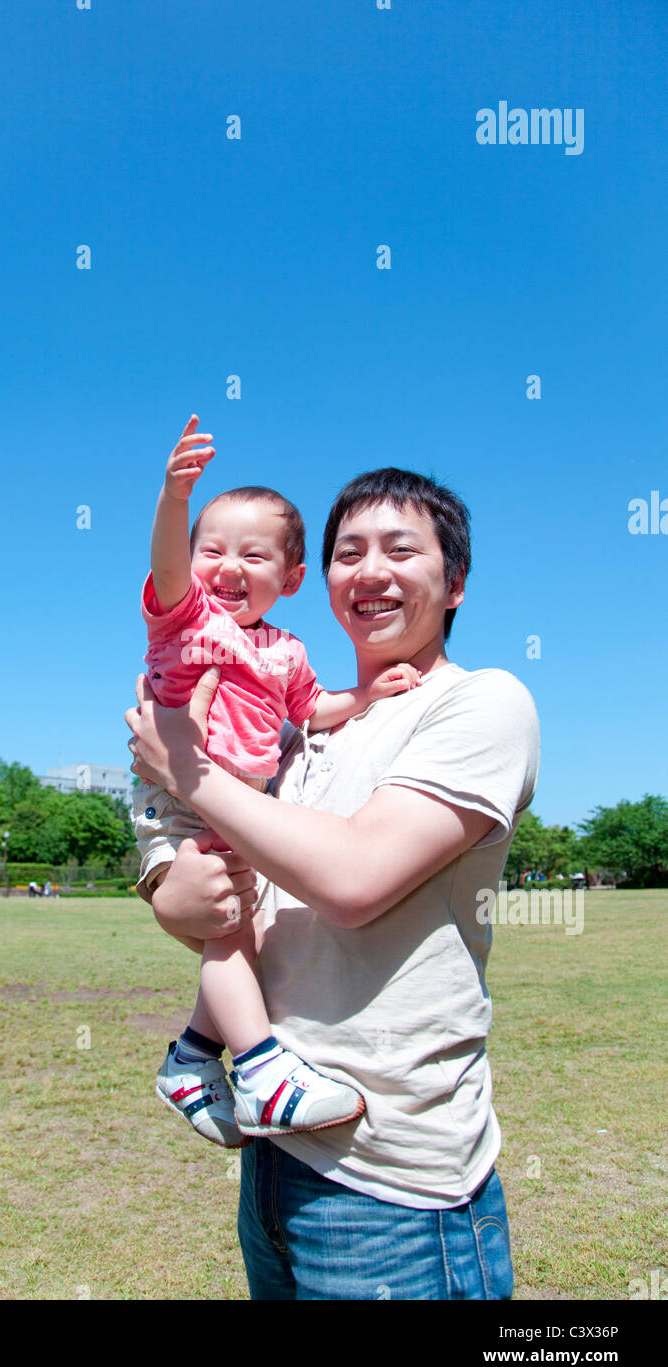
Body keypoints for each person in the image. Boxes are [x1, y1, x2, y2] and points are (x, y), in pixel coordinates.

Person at [125, 465, 540, 1301]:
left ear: (454, 581)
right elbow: (245, 896)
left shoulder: (482, 703)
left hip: (396, 1187)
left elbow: (350, 881)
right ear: (325, 580)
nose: (373, 570)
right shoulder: (293, 736)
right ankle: (200, 1055)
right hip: (275, 1155)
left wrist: (189, 769)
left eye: (401, 549)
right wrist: (167, 890)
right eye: (352, 551)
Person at [135, 415, 422, 1147]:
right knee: (227, 935)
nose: (228, 567)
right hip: (181, 795)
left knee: (240, 935)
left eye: (253, 556)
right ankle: (262, 1069)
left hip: (245, 805)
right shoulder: (187, 619)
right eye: (212, 550)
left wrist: (367, 696)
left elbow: (313, 710)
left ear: (291, 579)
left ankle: (192, 1060)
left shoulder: (286, 651)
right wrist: (174, 498)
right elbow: (169, 565)